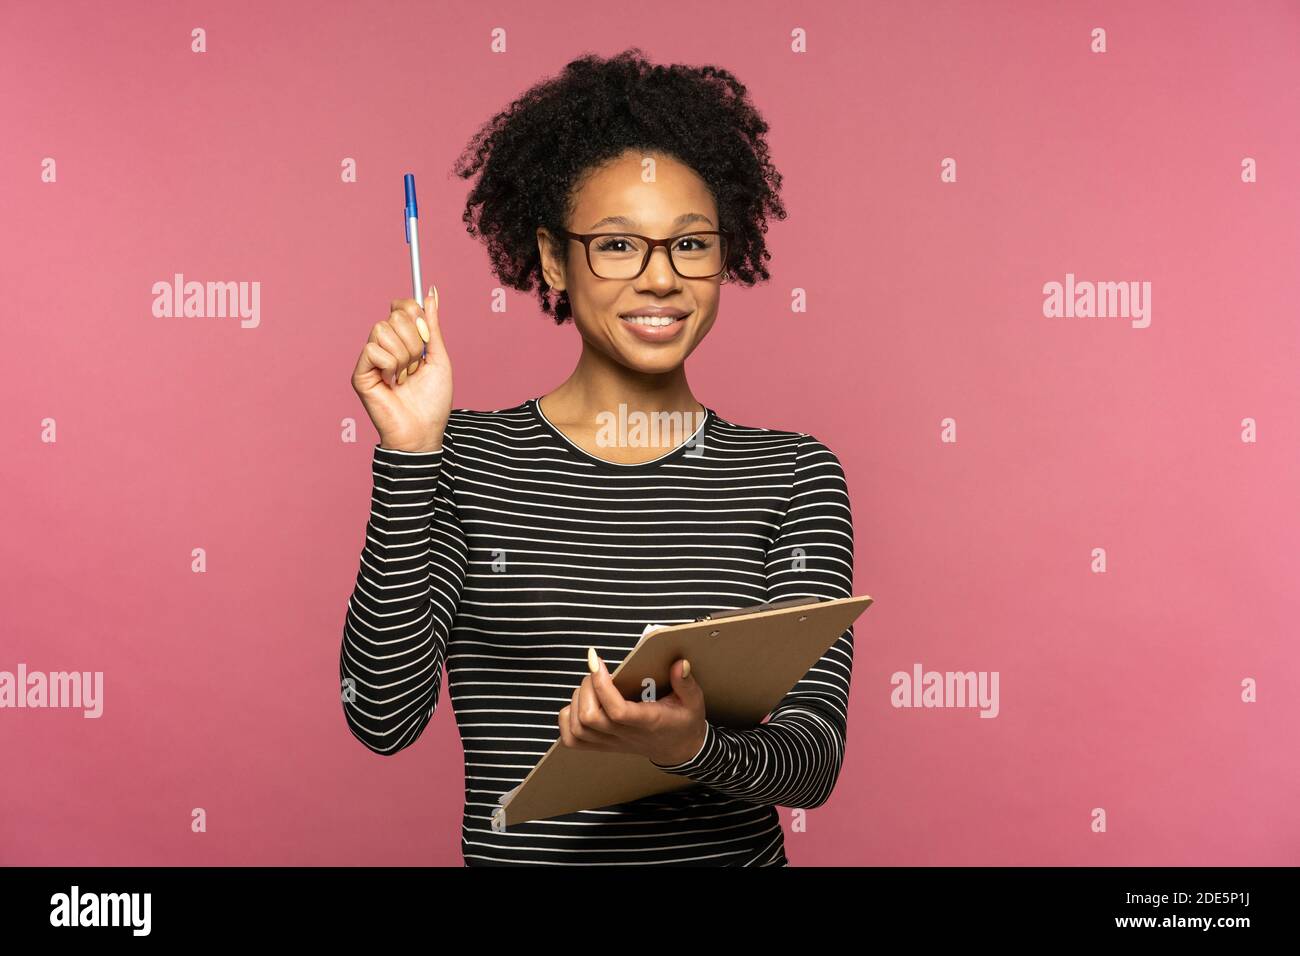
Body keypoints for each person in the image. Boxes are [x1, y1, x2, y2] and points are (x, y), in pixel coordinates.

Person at [339, 48, 855, 866]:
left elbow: (814, 760)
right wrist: (409, 454)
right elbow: (380, 716)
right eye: (618, 246)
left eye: (691, 245)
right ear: (553, 258)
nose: (661, 280)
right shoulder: (464, 459)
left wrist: (689, 746)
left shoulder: (791, 474)